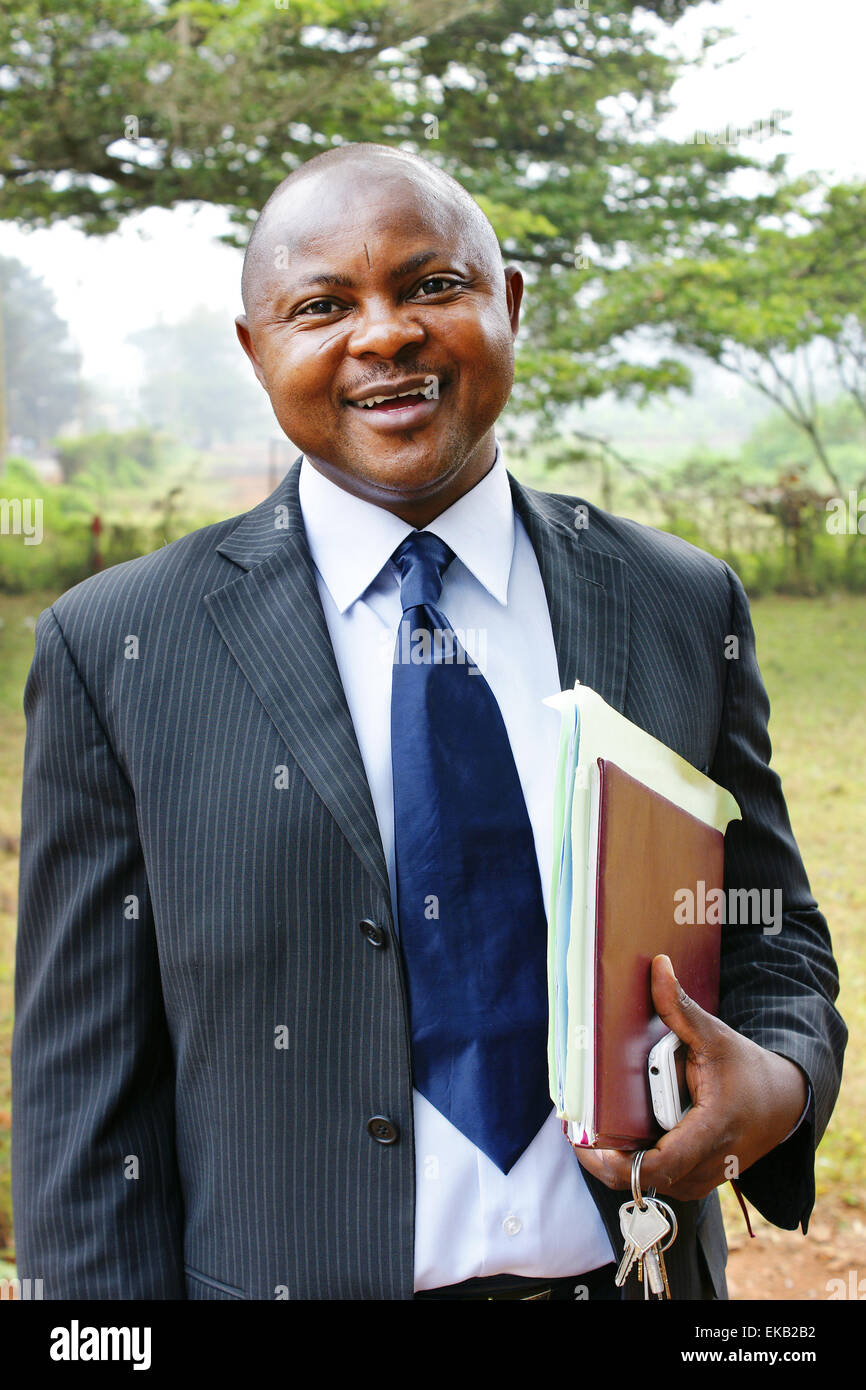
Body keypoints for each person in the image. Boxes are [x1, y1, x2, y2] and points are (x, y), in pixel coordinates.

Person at [12, 143, 846, 1301]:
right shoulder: (120, 649)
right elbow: (82, 1098)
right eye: (321, 305)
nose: (384, 333)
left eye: (429, 285)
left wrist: (782, 1082)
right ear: (257, 352)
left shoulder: (675, 600)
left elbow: (767, 937)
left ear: (507, 305)